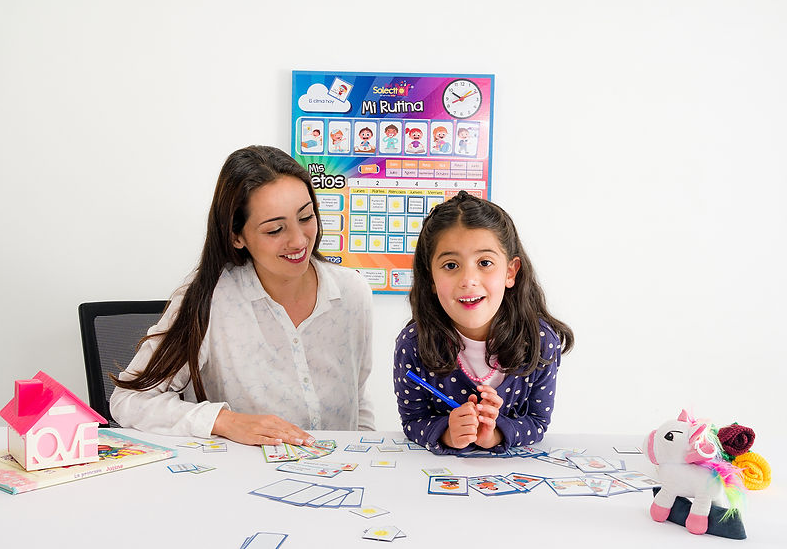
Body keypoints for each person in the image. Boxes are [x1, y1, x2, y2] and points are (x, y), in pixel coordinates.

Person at [111, 145, 375, 446]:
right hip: (244, 482)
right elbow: (130, 399)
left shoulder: (352, 292)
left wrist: (363, 455)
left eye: (305, 217)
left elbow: (359, 399)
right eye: (275, 230)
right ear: (236, 236)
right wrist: (226, 421)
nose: (299, 240)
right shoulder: (208, 299)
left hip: (340, 473)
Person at [393, 191, 573, 455]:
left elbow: (537, 423)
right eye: (451, 265)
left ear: (510, 272)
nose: (468, 279)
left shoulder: (541, 341)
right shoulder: (414, 345)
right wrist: (448, 433)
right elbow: (413, 421)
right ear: (431, 278)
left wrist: (496, 434)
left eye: (485, 263)